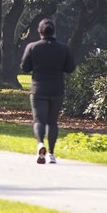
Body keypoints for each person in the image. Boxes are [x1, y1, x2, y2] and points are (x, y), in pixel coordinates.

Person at [20, 17, 76, 165]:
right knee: (52, 122)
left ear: (40, 32)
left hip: (38, 88)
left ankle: (40, 144)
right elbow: (70, 68)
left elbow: (25, 67)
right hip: (56, 89)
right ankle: (51, 153)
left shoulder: (33, 47)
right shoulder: (64, 48)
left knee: (39, 120)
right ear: (54, 32)